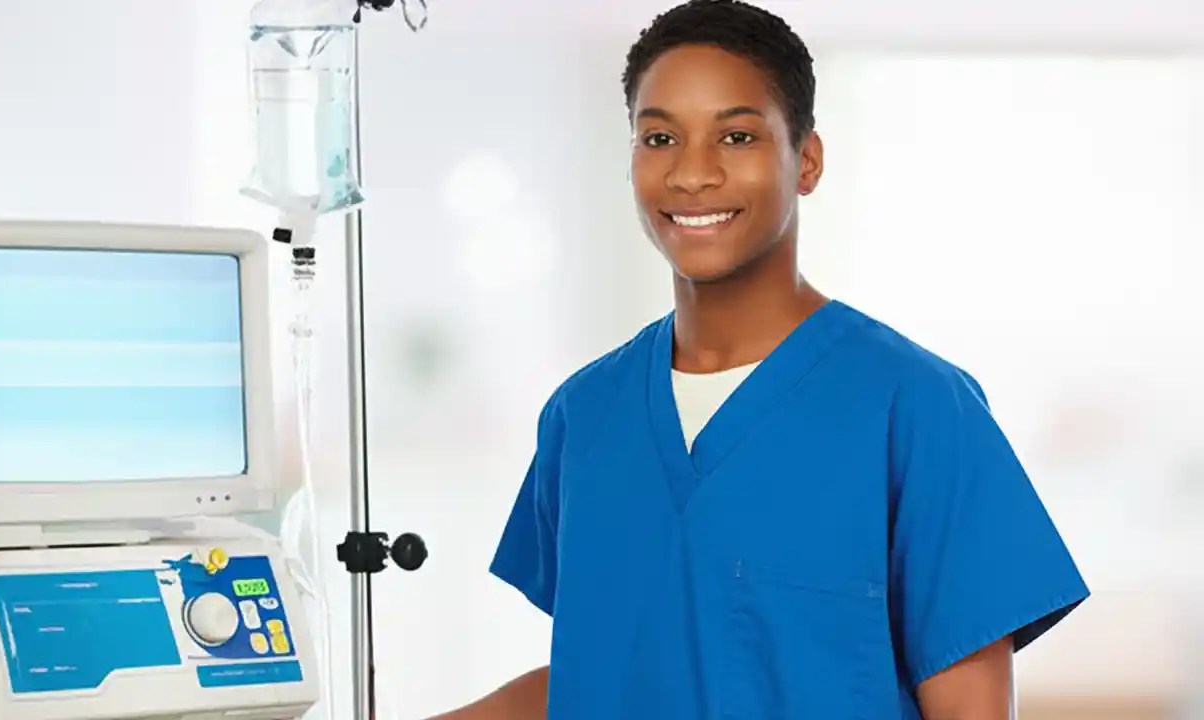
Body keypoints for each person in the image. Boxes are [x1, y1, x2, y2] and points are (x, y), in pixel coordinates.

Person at [429, 0, 1089, 717]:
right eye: (659, 138)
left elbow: (971, 710)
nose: (691, 174)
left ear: (805, 161)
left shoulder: (918, 409)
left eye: (736, 136)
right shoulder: (583, 416)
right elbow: (607, 674)